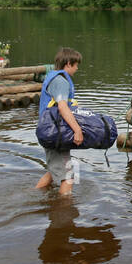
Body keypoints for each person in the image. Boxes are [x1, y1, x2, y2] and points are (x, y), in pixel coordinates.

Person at [35, 47, 84, 197]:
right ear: (68, 63)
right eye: (76, 65)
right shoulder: (61, 81)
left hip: (49, 131)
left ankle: (33, 195)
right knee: (68, 175)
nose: (77, 69)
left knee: (54, 171)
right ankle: (64, 211)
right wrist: (77, 130)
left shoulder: (53, 77)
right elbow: (62, 107)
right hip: (53, 132)